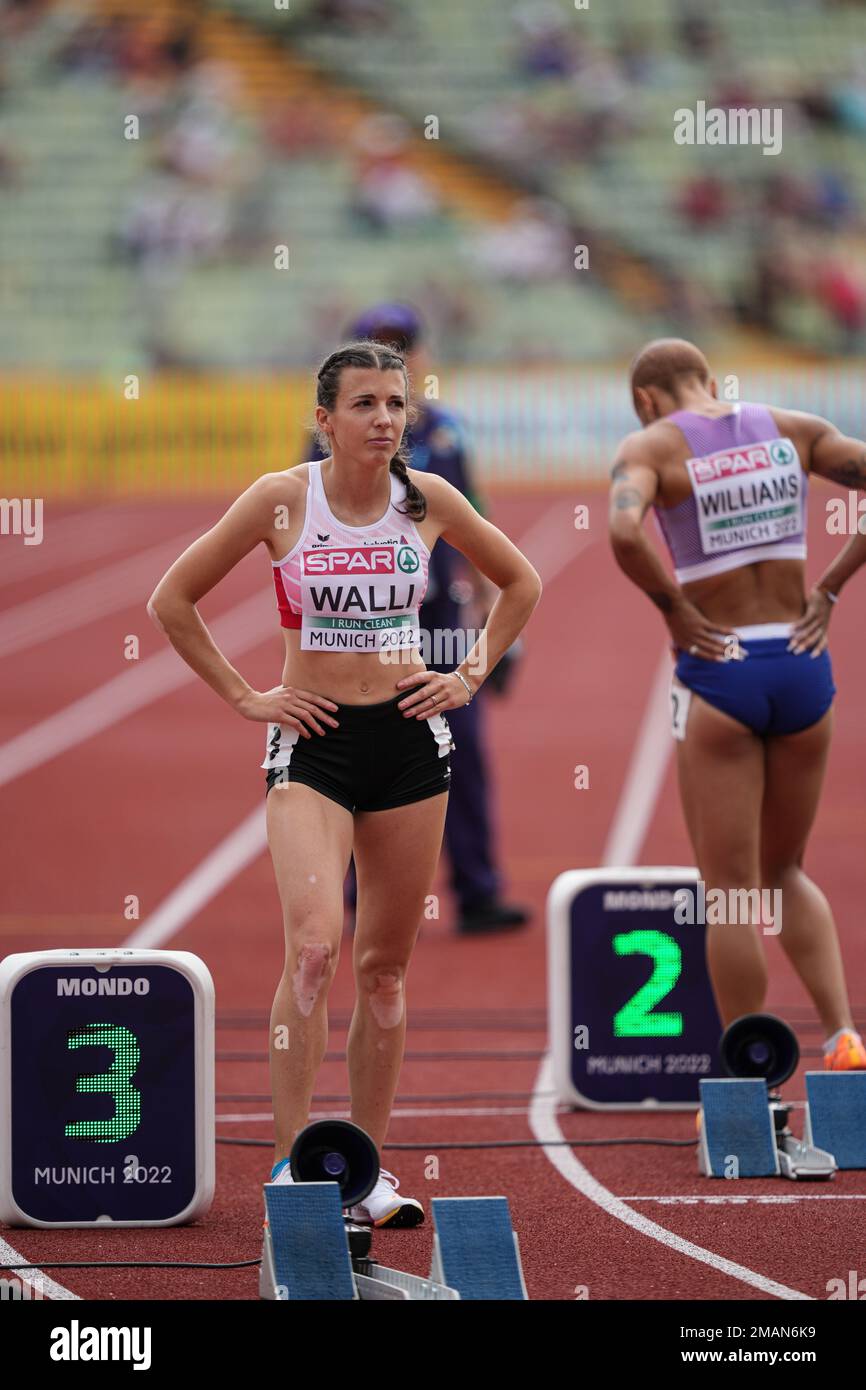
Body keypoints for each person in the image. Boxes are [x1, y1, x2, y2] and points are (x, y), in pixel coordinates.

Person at [146, 339, 542, 1224]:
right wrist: (248, 695)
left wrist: (468, 674)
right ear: (323, 419)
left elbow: (521, 582)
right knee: (317, 950)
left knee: (387, 975)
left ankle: (361, 1171)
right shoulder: (284, 500)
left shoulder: (428, 499)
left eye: (397, 404)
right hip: (313, 745)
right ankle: (294, 1167)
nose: (385, 420)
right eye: (364, 404)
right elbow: (172, 601)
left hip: (408, 743)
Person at [608, 337, 866, 1071]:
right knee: (786, 871)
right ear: (712, 381)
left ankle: (752, 1067)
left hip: (721, 667)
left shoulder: (652, 446)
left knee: (728, 893)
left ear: (647, 399)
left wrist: (673, 609)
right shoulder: (794, 428)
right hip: (800, 662)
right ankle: (842, 1036)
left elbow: (624, 531)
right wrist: (832, 585)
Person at [307, 302, 531, 934]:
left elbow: (476, 523)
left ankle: (477, 891)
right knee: (352, 749)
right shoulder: (321, 440)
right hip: (363, 629)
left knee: (462, 754)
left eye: (403, 346)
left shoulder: (448, 432)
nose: (394, 356)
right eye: (379, 344)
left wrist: (490, 619)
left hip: (437, 618)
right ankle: (356, 891)